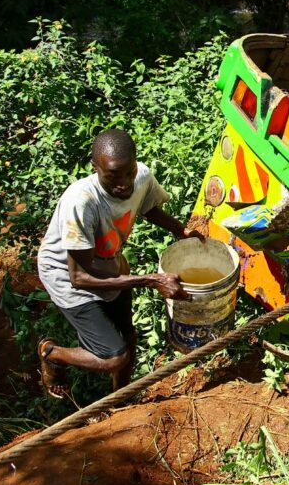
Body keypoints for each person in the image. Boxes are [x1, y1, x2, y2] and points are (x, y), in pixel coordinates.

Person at [35, 128, 204, 396]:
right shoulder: (81, 203)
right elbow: (79, 277)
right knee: (114, 357)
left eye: (129, 172)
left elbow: (148, 207)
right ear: (96, 168)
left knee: (128, 338)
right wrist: (151, 280)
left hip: (108, 263)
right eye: (113, 176)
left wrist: (181, 231)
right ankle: (52, 353)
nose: (124, 183)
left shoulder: (141, 176)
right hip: (66, 274)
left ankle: (120, 400)